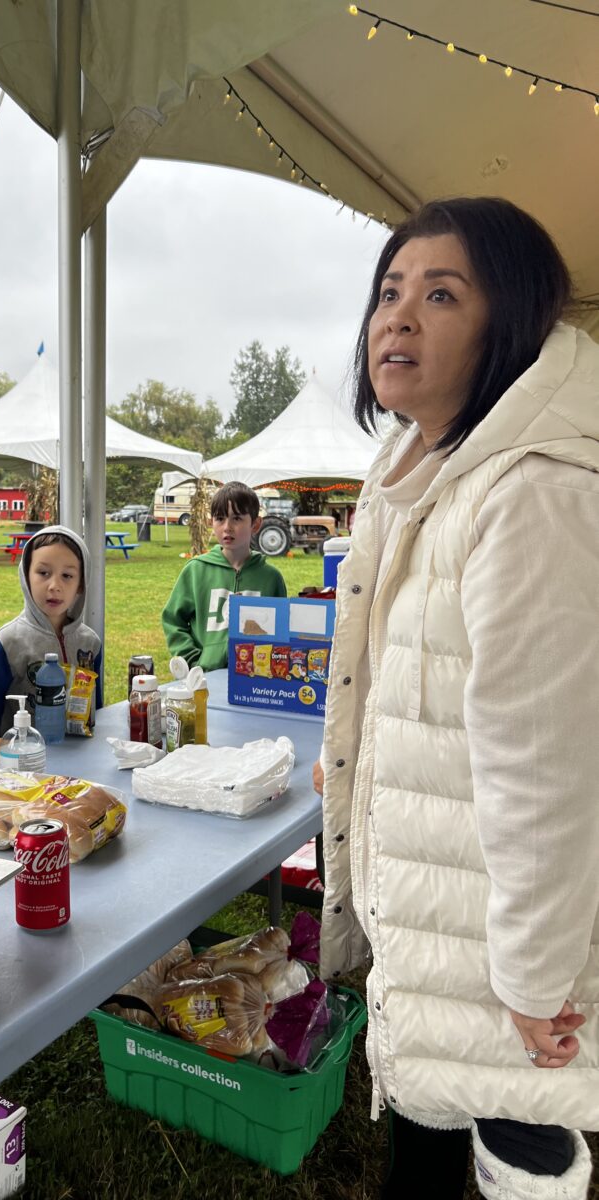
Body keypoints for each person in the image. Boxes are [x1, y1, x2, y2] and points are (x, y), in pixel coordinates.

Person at [317, 197, 598, 1199]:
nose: (396, 318)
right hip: (442, 912)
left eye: (441, 294)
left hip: (512, 955)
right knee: (427, 1136)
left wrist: (532, 977)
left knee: (515, 1157)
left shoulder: (534, 493)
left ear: (509, 324)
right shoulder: (417, 468)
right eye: (389, 292)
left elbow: (548, 768)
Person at [0, 526, 102, 736]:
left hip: (79, 761)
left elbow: (97, 713)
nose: (54, 585)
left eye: (67, 575)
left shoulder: (90, 643)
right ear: (26, 575)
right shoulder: (6, 643)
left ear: (81, 584)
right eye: (43, 573)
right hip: (21, 762)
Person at [161, 481, 287, 670]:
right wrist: (193, 661)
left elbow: (280, 632)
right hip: (205, 677)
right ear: (211, 522)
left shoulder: (271, 578)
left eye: (237, 518)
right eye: (220, 518)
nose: (227, 527)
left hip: (256, 679)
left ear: (255, 524)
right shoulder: (195, 571)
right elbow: (173, 620)